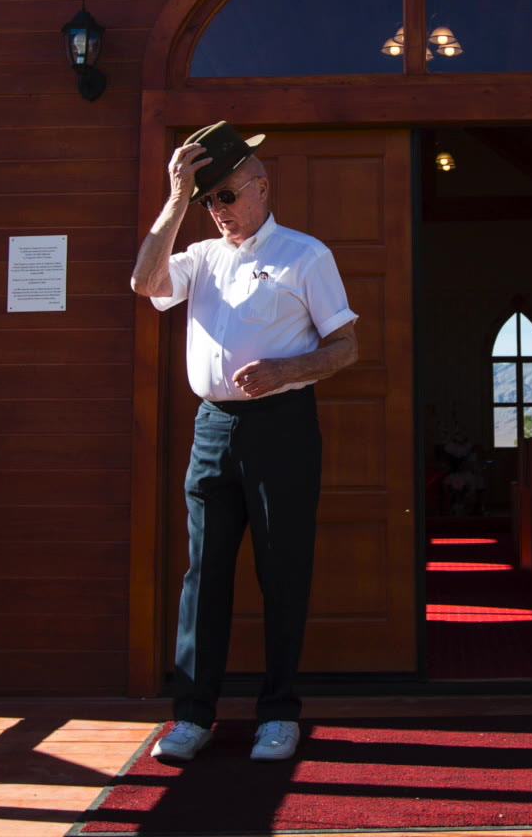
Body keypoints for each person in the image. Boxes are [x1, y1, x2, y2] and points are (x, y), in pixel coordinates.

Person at [128, 122, 360, 764]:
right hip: (214, 429)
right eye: (208, 202)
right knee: (203, 576)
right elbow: (144, 284)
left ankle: (279, 715)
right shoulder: (199, 256)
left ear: (261, 186)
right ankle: (192, 716)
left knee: (282, 571)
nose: (218, 211)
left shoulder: (305, 255)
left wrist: (286, 370)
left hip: (282, 427)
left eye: (225, 196)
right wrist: (175, 201)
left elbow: (347, 347)